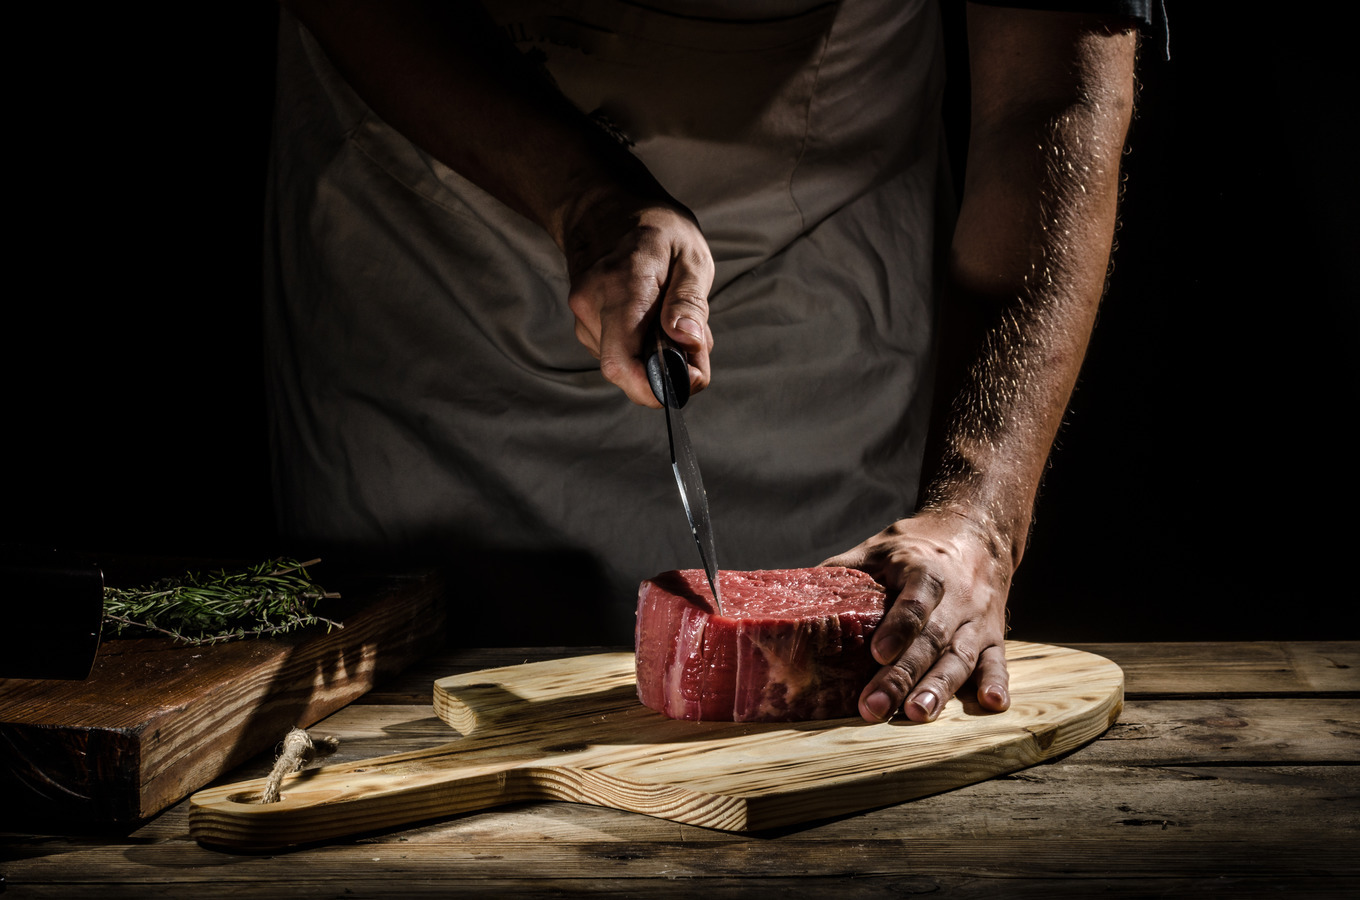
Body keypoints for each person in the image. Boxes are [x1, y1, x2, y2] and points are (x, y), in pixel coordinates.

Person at [267, 0, 1147, 724]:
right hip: (429, 266)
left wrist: (979, 516)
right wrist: (578, 190)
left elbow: (1049, 98)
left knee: (820, 699)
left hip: (812, 310)